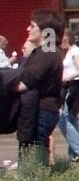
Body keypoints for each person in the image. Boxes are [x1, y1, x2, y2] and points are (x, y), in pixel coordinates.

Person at [14, 9, 66, 165]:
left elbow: (24, 83)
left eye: (32, 25)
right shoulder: (46, 51)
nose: (28, 29)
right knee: (34, 154)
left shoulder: (47, 53)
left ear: (45, 30)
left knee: (32, 157)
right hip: (40, 110)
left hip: (41, 111)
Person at [57, 27, 79, 161]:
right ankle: (75, 152)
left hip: (73, 87)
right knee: (70, 118)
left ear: (67, 38)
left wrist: (68, 77)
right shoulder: (68, 52)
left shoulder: (75, 51)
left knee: (63, 118)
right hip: (69, 87)